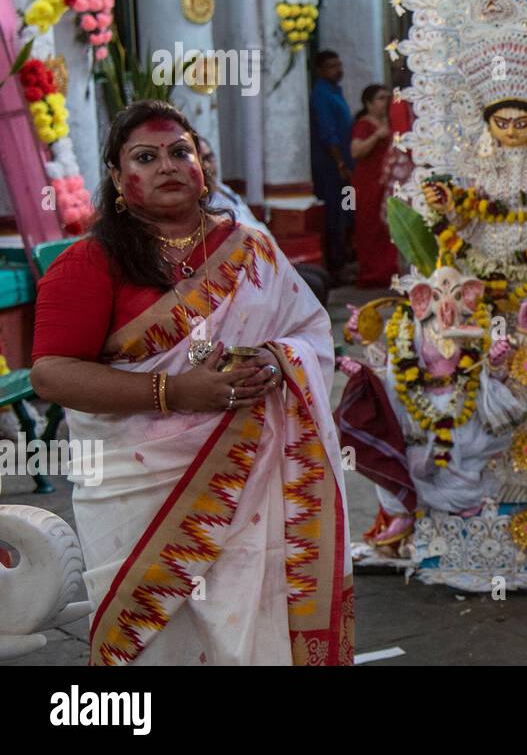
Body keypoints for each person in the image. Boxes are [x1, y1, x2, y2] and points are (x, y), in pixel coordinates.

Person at [30, 100, 353, 666]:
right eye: (146, 157)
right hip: (140, 486)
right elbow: (52, 373)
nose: (167, 166)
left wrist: (279, 362)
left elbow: (308, 330)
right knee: (160, 638)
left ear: (201, 162)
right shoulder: (91, 262)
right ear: (116, 176)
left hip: (255, 476)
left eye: (180, 151)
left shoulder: (251, 248)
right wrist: (174, 392)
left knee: (259, 613)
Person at [197, 136, 330, 308]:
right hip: (250, 274)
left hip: (269, 260)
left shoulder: (223, 190)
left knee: (320, 276)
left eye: (209, 158)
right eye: (201, 161)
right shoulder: (204, 205)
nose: (207, 166)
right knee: (313, 285)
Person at [309, 50, 354, 283]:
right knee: (335, 214)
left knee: (348, 207)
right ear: (319, 70)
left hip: (346, 166)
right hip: (332, 169)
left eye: (338, 64)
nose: (337, 70)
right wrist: (340, 163)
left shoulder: (336, 91)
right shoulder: (320, 95)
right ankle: (336, 266)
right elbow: (329, 134)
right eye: (331, 66)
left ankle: (347, 256)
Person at [350, 84, 399, 287]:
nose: (384, 102)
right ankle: (371, 274)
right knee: (369, 227)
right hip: (367, 183)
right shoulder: (364, 125)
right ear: (368, 103)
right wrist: (376, 136)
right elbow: (355, 151)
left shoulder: (388, 122)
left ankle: (387, 272)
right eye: (380, 98)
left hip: (385, 182)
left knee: (387, 227)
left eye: (387, 98)